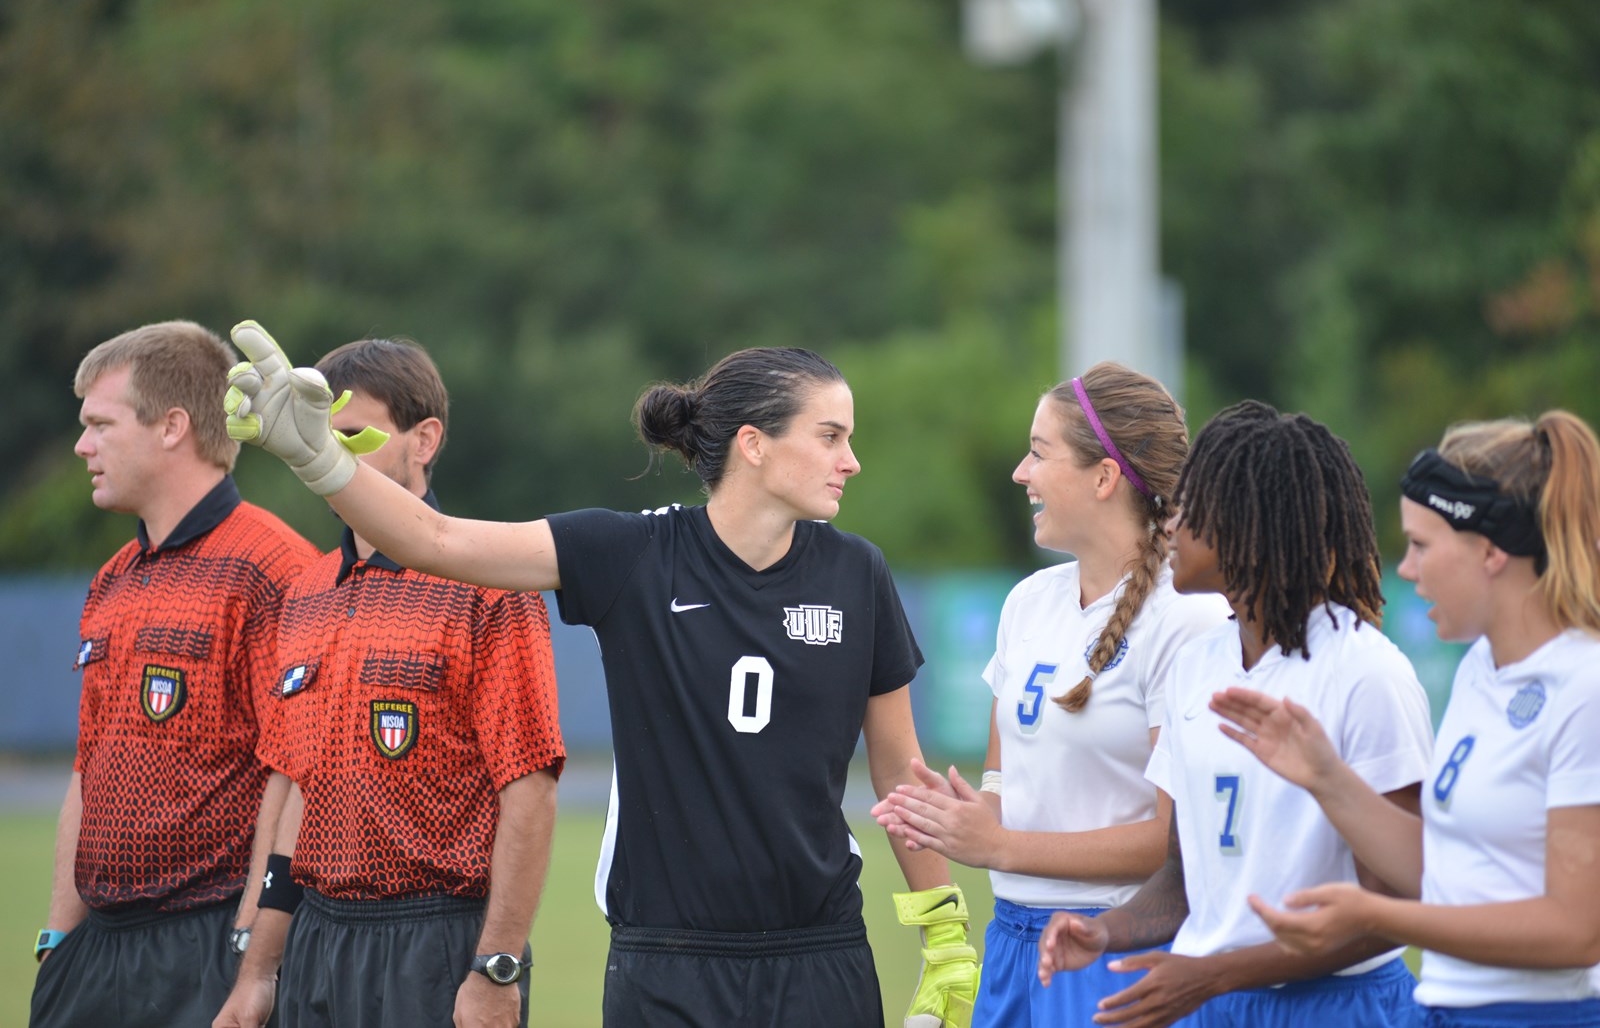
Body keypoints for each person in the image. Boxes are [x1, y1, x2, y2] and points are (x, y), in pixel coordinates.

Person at [220, 320, 979, 1028]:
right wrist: (317, 458)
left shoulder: (858, 572)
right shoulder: (630, 554)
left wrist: (942, 929)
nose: (851, 460)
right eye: (830, 436)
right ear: (754, 444)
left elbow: (898, 774)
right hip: (665, 962)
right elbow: (438, 541)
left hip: (823, 955)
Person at [1036, 400, 1435, 1027]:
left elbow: (1395, 909)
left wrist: (1218, 972)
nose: (1169, 525)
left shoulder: (1366, 674)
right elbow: (1184, 874)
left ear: (1249, 520)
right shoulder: (1197, 665)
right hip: (1214, 1001)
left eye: (1189, 510)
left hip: (1336, 1006)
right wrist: (1105, 931)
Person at [212, 338, 566, 1028]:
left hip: (436, 940)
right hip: (319, 938)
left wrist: (497, 967)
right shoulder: (307, 591)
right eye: (319, 436)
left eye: (354, 435)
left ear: (424, 439)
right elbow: (295, 792)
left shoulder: (486, 584)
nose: (331, 455)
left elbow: (530, 792)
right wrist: (257, 971)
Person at [870, 363, 1232, 1028]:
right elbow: (1004, 792)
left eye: (1039, 453)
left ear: (1104, 477)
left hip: (1113, 947)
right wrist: (962, 816)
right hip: (1014, 945)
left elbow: (1178, 840)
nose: (1020, 473)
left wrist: (1001, 845)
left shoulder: (1187, 618)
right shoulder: (1028, 602)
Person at [1214, 410, 1600, 1027]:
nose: (1407, 569)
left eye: (1422, 545)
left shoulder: (1585, 685)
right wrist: (1326, 777)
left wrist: (1375, 916)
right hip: (1445, 1009)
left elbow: (1576, 932)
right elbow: (1439, 874)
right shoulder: (1480, 668)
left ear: (1492, 550)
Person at [32, 322, 319, 1028]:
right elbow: (86, 767)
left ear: (172, 427)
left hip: (211, 944)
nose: (82, 446)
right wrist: (57, 943)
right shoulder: (114, 579)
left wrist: (254, 963)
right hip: (95, 953)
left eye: (100, 424)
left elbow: (300, 779)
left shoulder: (273, 569)